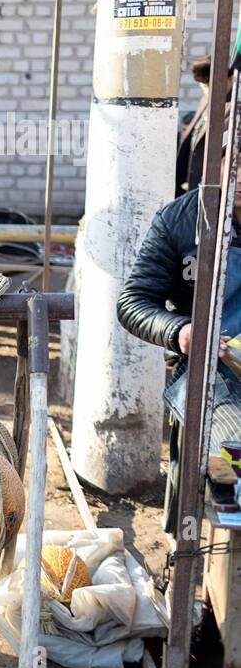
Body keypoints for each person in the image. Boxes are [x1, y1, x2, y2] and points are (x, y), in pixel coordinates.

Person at [117, 178, 241, 529]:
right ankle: (184, 552)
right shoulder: (181, 219)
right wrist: (181, 332)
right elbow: (133, 302)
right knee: (230, 455)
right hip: (207, 368)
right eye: (236, 162)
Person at [176, 56, 210, 195]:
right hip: (190, 180)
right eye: (202, 85)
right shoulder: (206, 98)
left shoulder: (230, 105)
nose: (205, 88)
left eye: (207, 84)